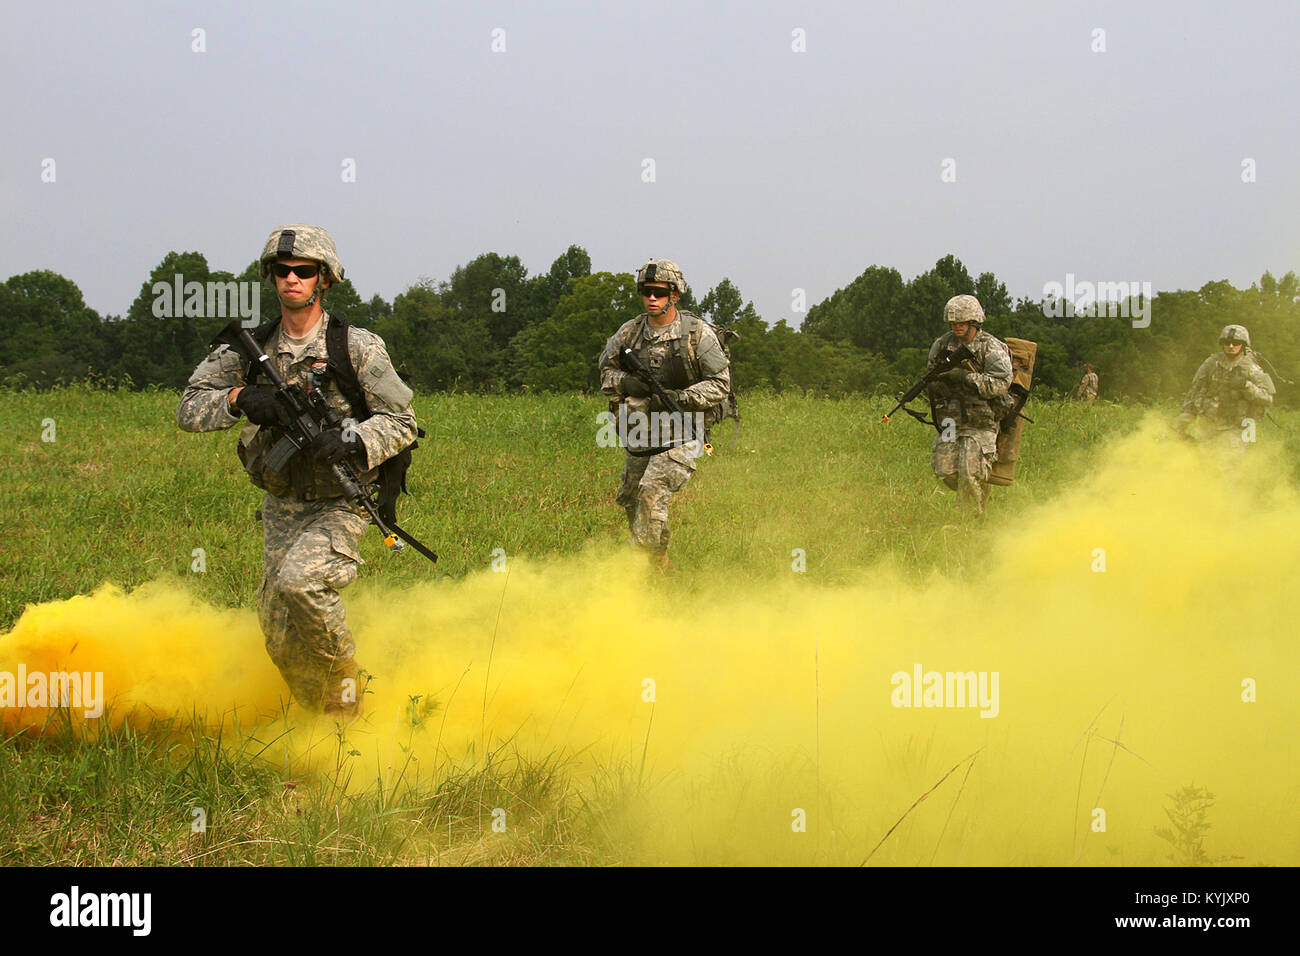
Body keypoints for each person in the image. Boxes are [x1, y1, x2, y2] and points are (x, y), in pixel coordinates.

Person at [176, 225, 418, 718]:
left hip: (343, 498)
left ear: (323, 279)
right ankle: (319, 719)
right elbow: (188, 409)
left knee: (301, 584)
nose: (291, 278)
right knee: (278, 632)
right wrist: (241, 397)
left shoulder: (356, 346)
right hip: (283, 502)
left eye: (303, 271)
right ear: (271, 277)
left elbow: (404, 422)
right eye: (282, 270)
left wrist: (352, 437)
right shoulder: (249, 348)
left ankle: (349, 701)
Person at [598, 258, 731, 572]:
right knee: (631, 499)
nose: (652, 298)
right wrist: (626, 382)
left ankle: (638, 577)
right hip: (641, 433)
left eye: (659, 291)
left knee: (651, 492)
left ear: (675, 294)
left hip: (685, 431)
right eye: (646, 291)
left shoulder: (697, 335)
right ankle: (660, 565)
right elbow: (606, 373)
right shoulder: (629, 333)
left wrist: (681, 398)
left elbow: (721, 384)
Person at [925, 294, 1013, 514]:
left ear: (974, 322)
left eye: (962, 323)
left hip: (981, 420)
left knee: (968, 471)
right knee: (945, 470)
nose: (957, 327)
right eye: (953, 323)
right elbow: (930, 374)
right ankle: (978, 492)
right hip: (950, 419)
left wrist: (966, 378)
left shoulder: (990, 347)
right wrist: (937, 384)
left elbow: (1002, 382)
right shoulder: (942, 344)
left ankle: (970, 523)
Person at [1174, 324, 1274, 459]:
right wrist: (1183, 422)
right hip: (1207, 425)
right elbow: (1195, 391)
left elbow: (1267, 398)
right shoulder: (1211, 363)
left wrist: (1246, 386)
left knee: (1225, 469)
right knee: (1203, 466)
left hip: (1234, 429)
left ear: (1243, 345)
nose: (1231, 346)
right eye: (1227, 343)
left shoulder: (1251, 369)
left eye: (1236, 343)